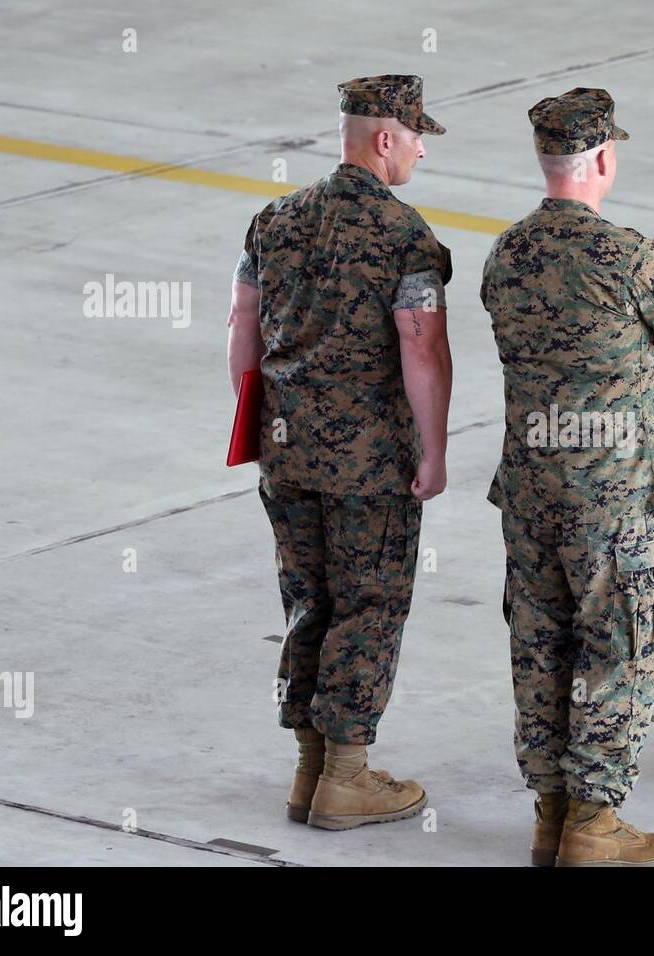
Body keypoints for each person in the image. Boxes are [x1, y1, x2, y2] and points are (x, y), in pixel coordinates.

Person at [481, 87, 654, 865]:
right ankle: (594, 824)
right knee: (618, 645)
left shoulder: (506, 253)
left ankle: (550, 814)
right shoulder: (624, 256)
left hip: (530, 489)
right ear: (605, 159)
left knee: (540, 646)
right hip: (613, 495)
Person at [226, 74, 453, 830]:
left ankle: (308, 770)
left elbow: (242, 326)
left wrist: (257, 424)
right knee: (369, 605)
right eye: (418, 134)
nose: (422, 148)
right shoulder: (406, 236)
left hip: (284, 452)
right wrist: (435, 450)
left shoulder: (276, 219)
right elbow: (421, 347)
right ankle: (347, 777)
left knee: (307, 600)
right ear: (385, 139)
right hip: (368, 462)